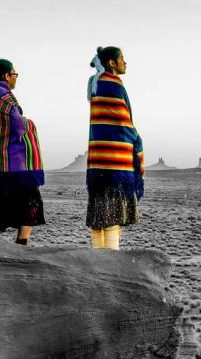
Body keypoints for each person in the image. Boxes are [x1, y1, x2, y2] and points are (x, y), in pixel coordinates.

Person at [0, 57, 45, 245]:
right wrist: (29, 123)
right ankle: (21, 244)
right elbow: (18, 126)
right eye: (15, 74)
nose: (16, 78)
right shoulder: (3, 95)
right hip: (11, 163)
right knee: (31, 202)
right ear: (7, 75)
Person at [86, 46, 144, 250]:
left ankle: (97, 263)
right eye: (121, 58)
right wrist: (137, 140)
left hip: (97, 161)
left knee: (99, 215)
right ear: (112, 63)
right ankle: (110, 265)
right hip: (115, 164)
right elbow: (122, 123)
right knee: (112, 216)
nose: (125, 62)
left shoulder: (96, 84)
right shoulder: (113, 86)